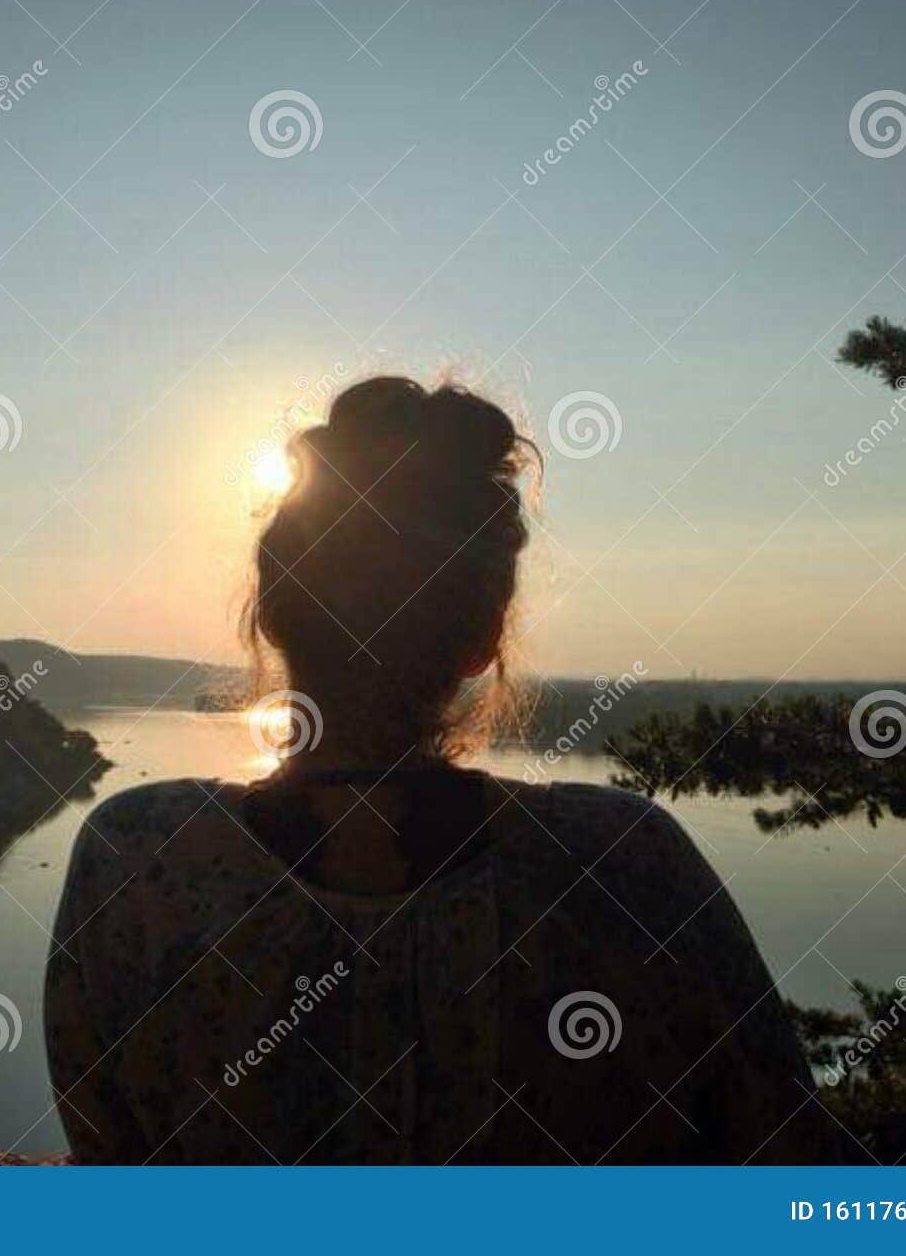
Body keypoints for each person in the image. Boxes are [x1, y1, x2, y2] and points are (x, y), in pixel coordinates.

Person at [44, 375, 830, 1163]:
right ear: (484, 638)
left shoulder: (138, 861)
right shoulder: (627, 866)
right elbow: (790, 1165)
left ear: (274, 609)